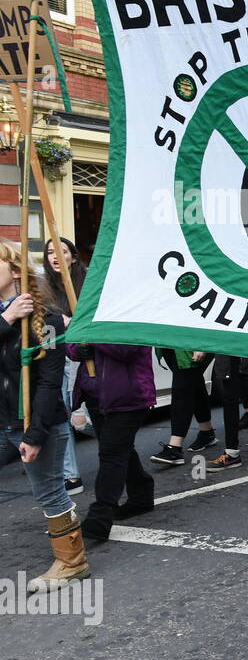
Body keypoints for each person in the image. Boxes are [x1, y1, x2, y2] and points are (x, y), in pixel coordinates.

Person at [2, 243, 85, 591]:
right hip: (2, 422)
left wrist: (35, 435)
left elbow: (51, 382)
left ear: (16, 271)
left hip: (35, 425)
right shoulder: (4, 318)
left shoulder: (46, 319)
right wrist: (6, 320)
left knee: (50, 492)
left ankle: (72, 562)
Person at [65, 337, 156, 544]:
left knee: (112, 452)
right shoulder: (89, 313)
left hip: (128, 395)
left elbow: (127, 349)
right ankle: (141, 494)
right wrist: (78, 348)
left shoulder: (132, 311)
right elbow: (71, 349)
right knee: (118, 448)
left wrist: (95, 339)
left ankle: (100, 517)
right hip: (96, 395)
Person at [43, 237, 88, 495]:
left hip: (85, 353)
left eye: (62, 251)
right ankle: (71, 476)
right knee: (60, 413)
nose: (56, 256)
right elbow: (47, 329)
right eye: (50, 252)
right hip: (59, 355)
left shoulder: (88, 280)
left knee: (84, 418)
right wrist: (48, 354)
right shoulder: (44, 287)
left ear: (72, 255)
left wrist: (74, 321)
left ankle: (120, 461)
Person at [151, 348, 217, 465]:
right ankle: (207, 433)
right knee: (193, 381)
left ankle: (175, 448)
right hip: (170, 342)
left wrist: (200, 345)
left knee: (182, 387)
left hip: (191, 342)